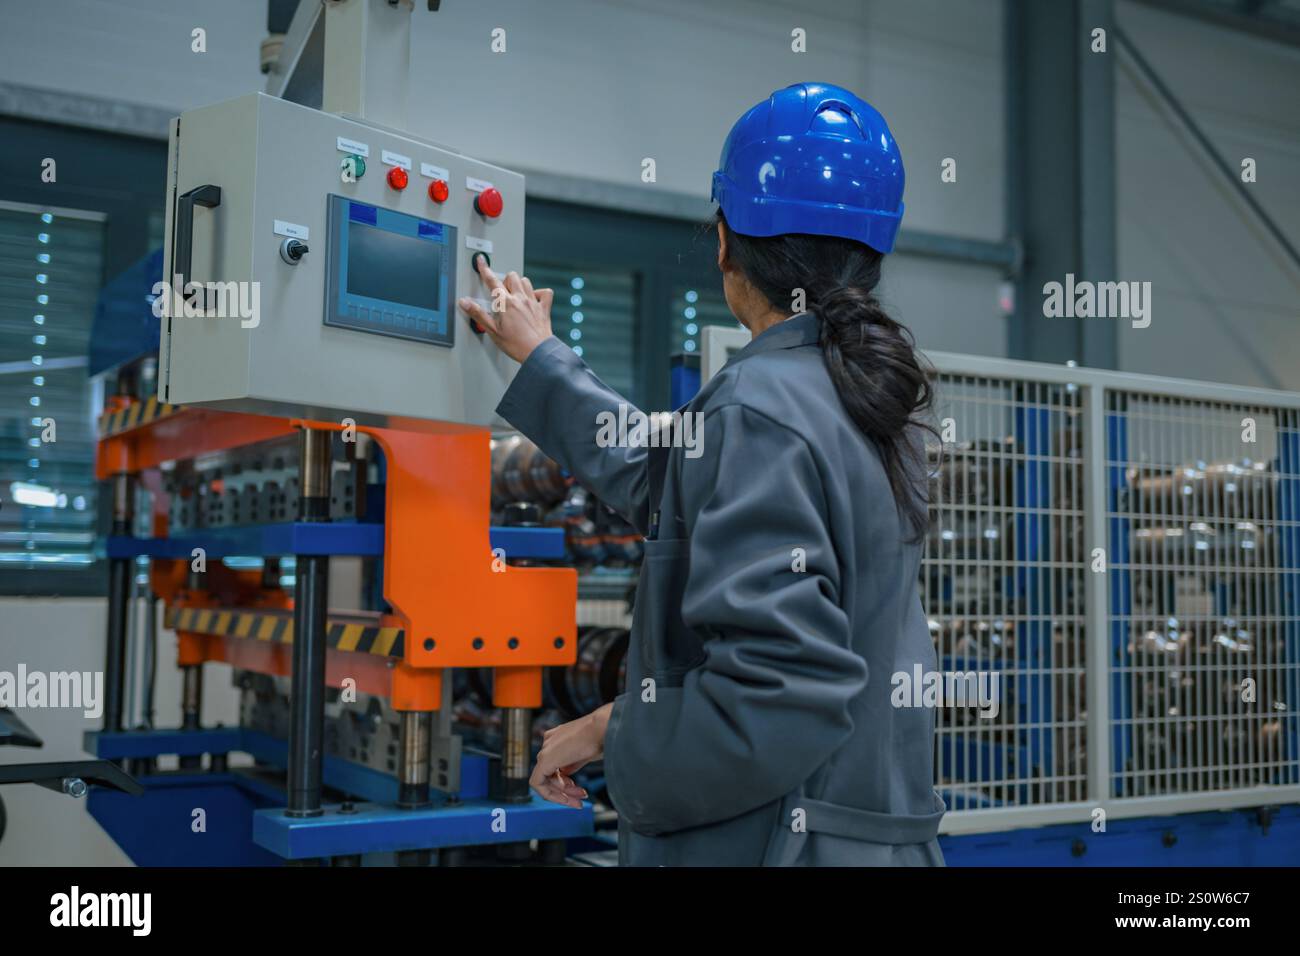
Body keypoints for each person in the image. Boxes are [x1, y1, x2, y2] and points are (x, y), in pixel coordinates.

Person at [458, 82, 945, 866]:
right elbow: (670, 480)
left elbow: (777, 696)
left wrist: (608, 729)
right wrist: (544, 362)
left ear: (726, 240)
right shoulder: (866, 399)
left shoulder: (759, 406)